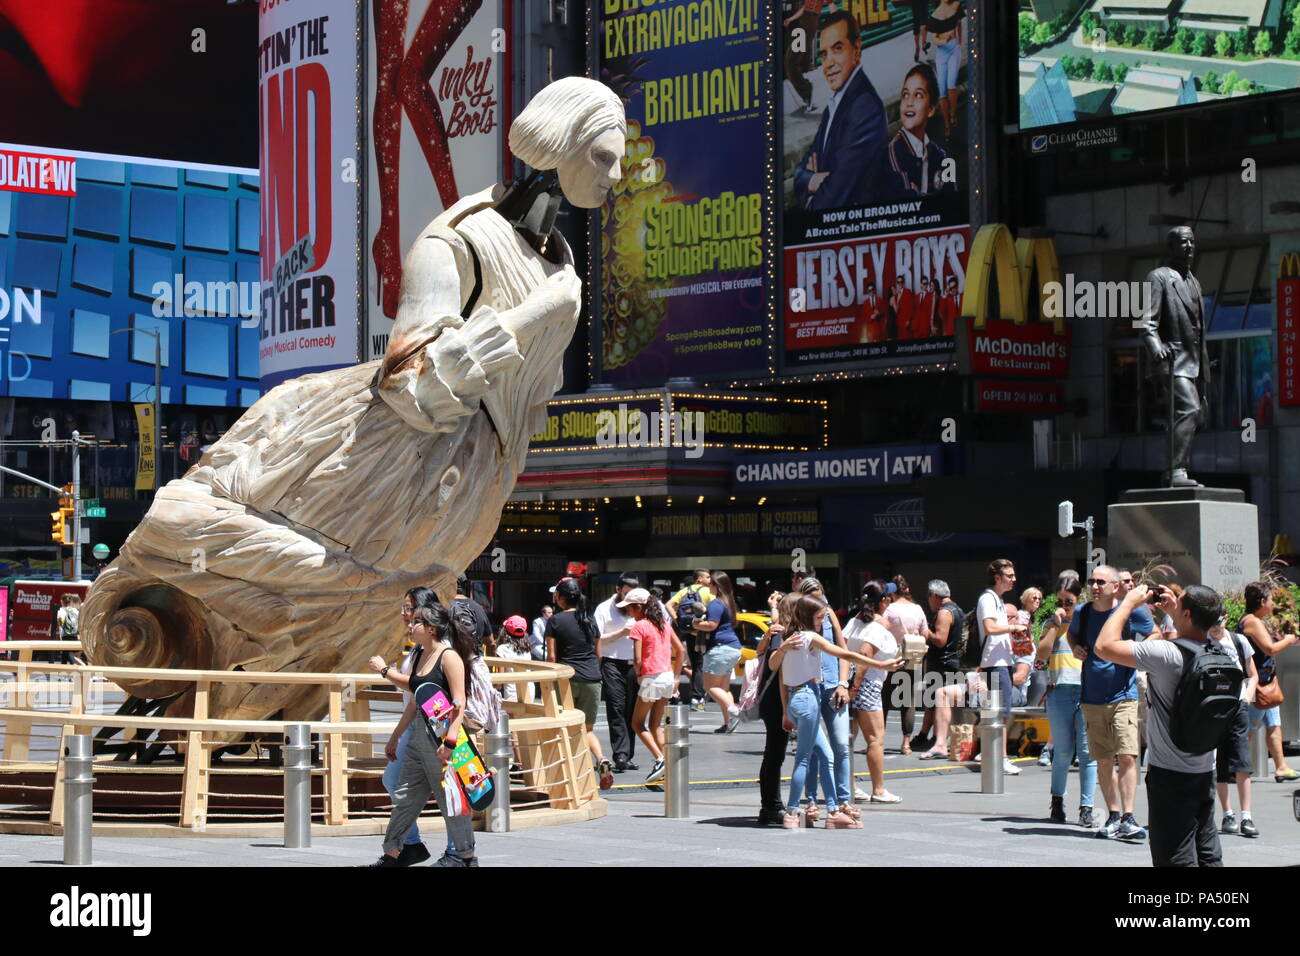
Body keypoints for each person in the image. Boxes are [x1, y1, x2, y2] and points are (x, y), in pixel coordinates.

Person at [1094, 583, 1231, 867]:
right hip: (1205, 769)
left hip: (1170, 774)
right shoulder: (1221, 652)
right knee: (1207, 855)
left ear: (1189, 614)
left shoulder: (1165, 653)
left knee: (1175, 857)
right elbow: (1192, 637)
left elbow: (1103, 647)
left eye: (1179, 603)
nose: (1173, 603)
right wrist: (1178, 614)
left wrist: (1129, 604)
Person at [370, 603, 479, 867]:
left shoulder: (448, 656)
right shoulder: (420, 655)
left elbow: (459, 702)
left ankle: (465, 857)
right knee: (406, 795)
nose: (410, 625)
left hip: (442, 737)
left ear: (431, 629)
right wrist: (395, 736)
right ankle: (392, 854)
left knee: (449, 798)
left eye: (416, 622)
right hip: (420, 732)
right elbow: (415, 702)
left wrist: (451, 741)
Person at [1068, 565, 1156, 842]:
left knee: (1128, 754)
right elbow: (1071, 634)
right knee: (1104, 759)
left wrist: (1135, 655)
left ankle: (1129, 817)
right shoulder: (1082, 612)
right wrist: (1074, 647)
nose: (1094, 586)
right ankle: (1114, 815)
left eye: (1101, 582)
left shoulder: (1132, 611)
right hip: (1092, 697)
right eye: (1092, 581)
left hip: (1124, 694)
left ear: (1115, 586)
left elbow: (1154, 635)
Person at [777, 594, 881, 828]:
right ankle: (793, 812)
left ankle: (831, 810)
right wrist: (881, 664)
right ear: (806, 615)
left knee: (825, 755)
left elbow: (778, 670)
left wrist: (786, 710)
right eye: (818, 617)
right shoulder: (809, 637)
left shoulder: (788, 638)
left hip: (797, 698)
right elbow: (843, 653)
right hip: (807, 698)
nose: (822, 621)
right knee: (804, 758)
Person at [791, 10, 891, 211]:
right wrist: (812, 180)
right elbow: (798, 174)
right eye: (824, 54)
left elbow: (834, 196)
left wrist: (810, 187)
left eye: (837, 49)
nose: (828, 64)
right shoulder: (835, 105)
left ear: (857, 49)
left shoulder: (864, 108)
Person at [367, 585, 438, 865]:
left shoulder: (433, 647)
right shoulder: (419, 646)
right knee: (396, 781)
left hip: (428, 727)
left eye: (409, 607)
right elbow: (413, 699)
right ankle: (410, 845)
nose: (403, 613)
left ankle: (455, 850)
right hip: (415, 723)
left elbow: (420, 687)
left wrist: (385, 671)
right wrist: (395, 735)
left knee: (407, 784)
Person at [1034, 572, 1096, 828]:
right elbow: (1042, 653)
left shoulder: (1088, 620)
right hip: (1058, 689)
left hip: (1085, 689)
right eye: (1059, 602)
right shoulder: (1052, 622)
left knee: (1086, 752)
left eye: (1068, 602)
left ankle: (1086, 807)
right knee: (1062, 751)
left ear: (1078, 598)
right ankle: (1057, 802)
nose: (1063, 606)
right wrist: (1056, 624)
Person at [795, 577, 856, 821]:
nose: (822, 604)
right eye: (816, 599)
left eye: (823, 597)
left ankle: (843, 800)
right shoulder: (797, 621)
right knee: (811, 748)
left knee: (841, 744)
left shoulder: (829, 616)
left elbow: (844, 651)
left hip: (833, 687)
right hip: (809, 689)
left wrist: (844, 683)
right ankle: (811, 801)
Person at [547, 578, 612, 788]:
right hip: (592, 678)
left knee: (565, 727)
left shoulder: (555, 621)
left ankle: (573, 774)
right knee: (588, 728)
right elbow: (598, 654)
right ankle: (600, 758)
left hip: (566, 678)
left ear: (561, 598)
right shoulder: (589, 619)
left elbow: (551, 656)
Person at [845, 581, 907, 803]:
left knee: (847, 740)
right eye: (888, 596)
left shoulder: (854, 622)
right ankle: (879, 790)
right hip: (865, 685)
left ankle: (849, 787)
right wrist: (855, 687)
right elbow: (864, 656)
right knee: (875, 739)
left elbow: (844, 650)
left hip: (848, 684)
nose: (891, 599)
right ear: (883, 601)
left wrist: (847, 686)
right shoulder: (876, 628)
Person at [620, 588, 686, 786]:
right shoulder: (664, 624)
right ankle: (669, 764)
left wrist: (639, 674)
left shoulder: (639, 626)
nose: (628, 612)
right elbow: (680, 650)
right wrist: (676, 676)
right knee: (656, 725)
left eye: (629, 609)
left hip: (651, 677)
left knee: (637, 723)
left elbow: (638, 658)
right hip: (666, 676)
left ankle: (660, 759)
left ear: (638, 607)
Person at [1239, 581, 1300, 781]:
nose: (1273, 603)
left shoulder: (1255, 620)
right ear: (1263, 600)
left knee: (1274, 725)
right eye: (1271, 599)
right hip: (1257, 685)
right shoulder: (1251, 621)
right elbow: (1270, 649)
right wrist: (1289, 640)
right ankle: (1231, 767)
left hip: (1266, 683)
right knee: (1248, 729)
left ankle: (1281, 767)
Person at [974, 559, 1027, 776]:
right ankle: (1000, 757)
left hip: (1000, 662)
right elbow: (989, 627)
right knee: (999, 712)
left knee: (997, 711)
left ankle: (993, 755)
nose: (1014, 579)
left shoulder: (997, 599)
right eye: (1009, 576)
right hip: (994, 663)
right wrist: (1013, 626)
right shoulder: (988, 598)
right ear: (997, 578)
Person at [1213, 620, 1258, 838]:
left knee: (1242, 759)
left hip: (1238, 704)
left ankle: (1246, 816)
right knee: (1220, 760)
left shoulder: (1239, 641)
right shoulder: (1204, 642)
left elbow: (1253, 673)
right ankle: (1227, 813)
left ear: (1226, 618)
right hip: (1214, 707)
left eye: (1218, 620)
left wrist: (1246, 699)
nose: (1214, 626)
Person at [756, 591, 797, 825]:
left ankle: (770, 805)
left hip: (777, 702)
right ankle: (770, 805)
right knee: (775, 753)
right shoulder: (780, 633)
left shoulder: (779, 629)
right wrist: (785, 710)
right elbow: (778, 669)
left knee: (775, 752)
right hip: (776, 702)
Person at [594, 573, 641, 772]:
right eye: (627, 593)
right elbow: (598, 639)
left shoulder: (640, 607)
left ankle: (627, 755)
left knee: (632, 709)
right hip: (612, 662)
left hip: (635, 664)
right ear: (618, 590)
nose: (630, 598)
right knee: (616, 706)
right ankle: (620, 755)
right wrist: (621, 633)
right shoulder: (604, 609)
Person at [886, 64, 953, 203]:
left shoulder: (941, 156)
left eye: (918, 95)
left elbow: (952, 203)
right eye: (905, 95)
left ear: (931, 109)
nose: (909, 102)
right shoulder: (894, 151)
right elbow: (906, 203)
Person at [691, 571, 744, 732]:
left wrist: (696, 624)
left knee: (709, 687)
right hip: (733, 648)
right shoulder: (729, 602)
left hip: (720, 648)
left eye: (711, 584)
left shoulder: (715, 604)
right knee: (723, 688)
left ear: (717, 586)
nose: (709, 587)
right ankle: (728, 723)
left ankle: (734, 713)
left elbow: (712, 624)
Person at [916, 579, 962, 759]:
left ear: (934, 596)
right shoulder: (957, 609)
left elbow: (940, 640)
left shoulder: (944, 612)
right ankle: (932, 738)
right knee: (937, 703)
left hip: (942, 663)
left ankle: (938, 741)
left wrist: (927, 633)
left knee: (937, 701)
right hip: (951, 662)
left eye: (929, 598)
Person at [884, 574, 929, 754]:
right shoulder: (917, 609)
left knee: (883, 697)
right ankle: (906, 743)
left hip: (891, 657)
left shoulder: (889, 609)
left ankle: (878, 738)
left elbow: (881, 629)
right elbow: (925, 632)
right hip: (913, 656)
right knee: (908, 700)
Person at [666, 569, 715, 710]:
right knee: (702, 666)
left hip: (689, 632)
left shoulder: (684, 591)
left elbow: (668, 605)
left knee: (696, 665)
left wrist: (677, 621)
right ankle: (700, 697)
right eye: (707, 577)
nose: (709, 579)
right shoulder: (707, 592)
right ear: (699, 579)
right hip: (704, 633)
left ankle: (695, 698)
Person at [927, 0, 964, 138]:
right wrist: (944, 41)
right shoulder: (934, 16)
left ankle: (953, 113)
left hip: (954, 49)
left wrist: (959, 42)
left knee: (951, 84)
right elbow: (934, 39)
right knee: (942, 90)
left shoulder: (956, 6)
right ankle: (947, 123)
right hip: (942, 52)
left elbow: (959, 23)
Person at [494, 614, 536, 707]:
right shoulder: (527, 649)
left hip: (512, 692)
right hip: (529, 690)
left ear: (505, 631)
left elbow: (500, 680)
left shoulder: (502, 649)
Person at [452, 574, 493, 657]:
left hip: (449, 664)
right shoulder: (478, 608)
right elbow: (491, 643)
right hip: (474, 662)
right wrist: (489, 667)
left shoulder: (442, 607)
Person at [1019, 587, 1047, 707]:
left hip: (1030, 663)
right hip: (1021, 662)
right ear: (1026, 599)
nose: (1037, 601)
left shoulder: (1033, 619)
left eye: (1039, 599)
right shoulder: (1021, 616)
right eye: (1034, 598)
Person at [889, 275, 914, 341]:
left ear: (904, 282)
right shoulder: (896, 295)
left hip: (906, 322)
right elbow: (896, 310)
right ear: (896, 283)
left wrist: (908, 320)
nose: (900, 283)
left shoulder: (908, 292)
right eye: (898, 282)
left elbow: (911, 307)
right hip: (899, 323)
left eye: (901, 282)